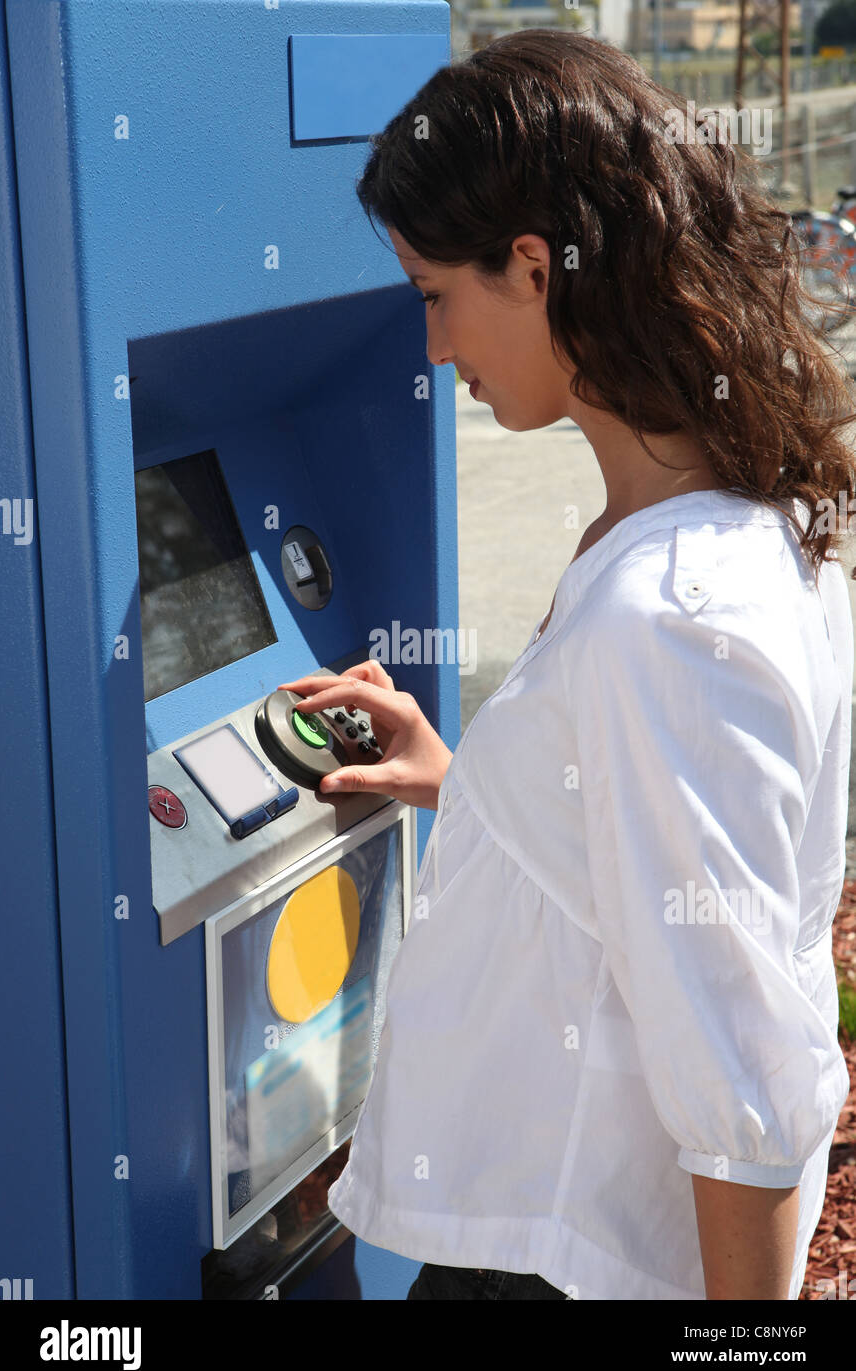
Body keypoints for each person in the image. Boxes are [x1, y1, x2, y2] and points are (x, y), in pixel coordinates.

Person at [278, 30, 856, 1299]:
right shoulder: (730, 522)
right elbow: (645, 847)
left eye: (435, 293)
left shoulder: (666, 617)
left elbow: (741, 1075)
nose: (432, 347)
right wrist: (469, 780)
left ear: (531, 267)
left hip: (567, 1266)